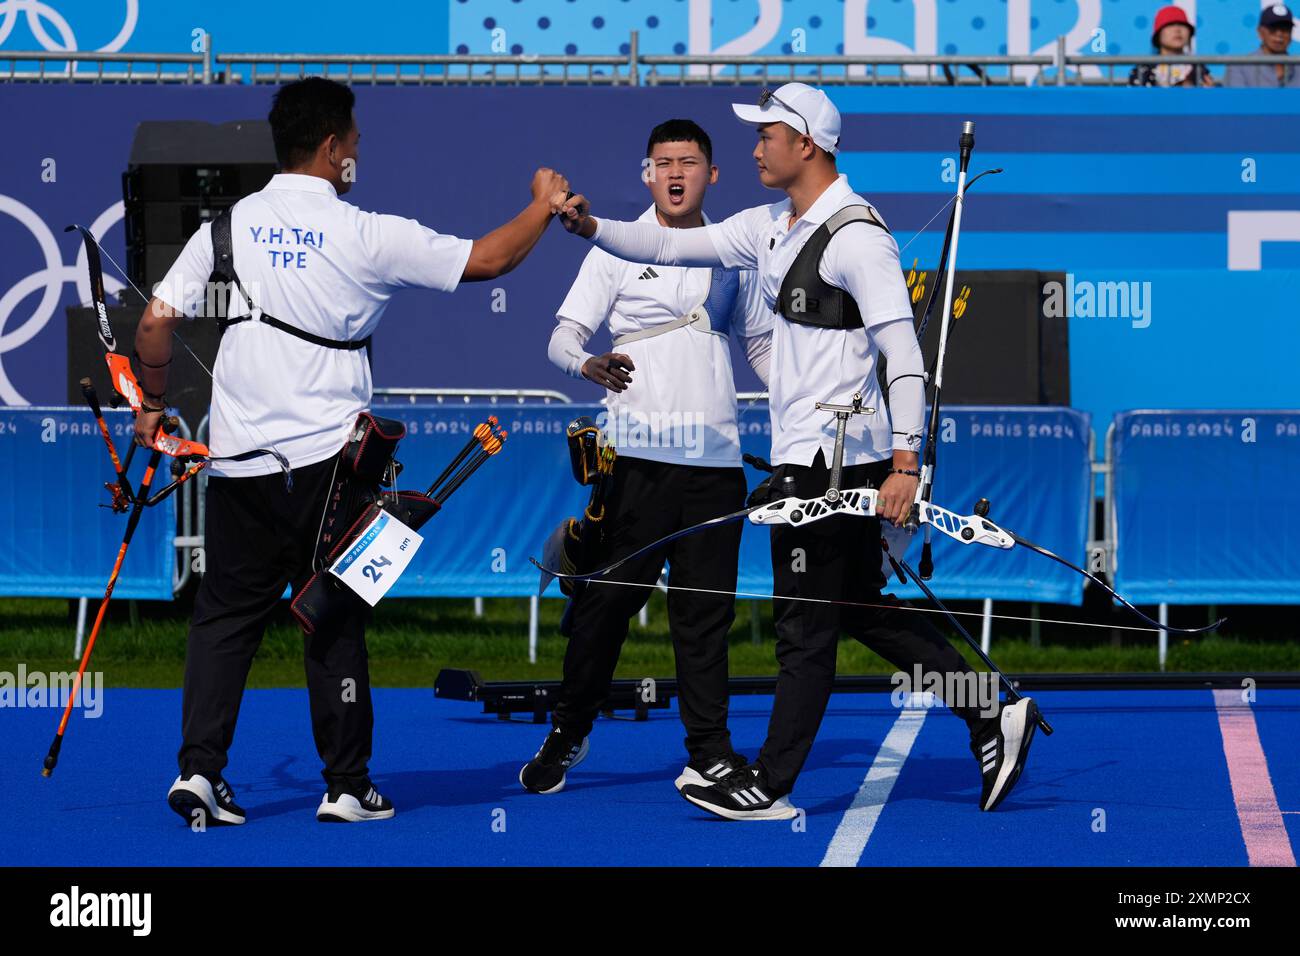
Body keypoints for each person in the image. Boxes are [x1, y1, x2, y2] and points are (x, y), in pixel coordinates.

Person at [552, 83, 1038, 820]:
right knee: (862, 611)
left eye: (766, 136)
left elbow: (902, 354)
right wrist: (590, 227)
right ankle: (990, 710)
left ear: (805, 144)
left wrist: (906, 463)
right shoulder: (768, 227)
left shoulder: (857, 236)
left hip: (844, 464)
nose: (754, 149)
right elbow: (664, 242)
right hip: (809, 459)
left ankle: (771, 784)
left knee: (804, 628)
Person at [134, 77, 572, 826]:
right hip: (328, 467)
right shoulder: (362, 231)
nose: (359, 150)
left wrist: (149, 407)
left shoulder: (228, 227)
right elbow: (490, 261)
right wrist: (543, 203)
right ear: (333, 147)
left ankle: (199, 774)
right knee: (331, 614)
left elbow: (153, 324)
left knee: (223, 619)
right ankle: (346, 785)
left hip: (237, 461)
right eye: (355, 140)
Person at [520, 119, 772, 796]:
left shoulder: (735, 253)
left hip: (715, 464)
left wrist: (811, 397)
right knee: (605, 605)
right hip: (635, 461)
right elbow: (561, 338)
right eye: (664, 163)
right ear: (647, 173)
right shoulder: (613, 247)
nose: (676, 173)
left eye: (689, 162)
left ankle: (710, 752)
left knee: (705, 615)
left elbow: (761, 349)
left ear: (711, 175)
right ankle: (569, 729)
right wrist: (588, 362)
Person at [1129, 5, 1216, 87]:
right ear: (1158, 35)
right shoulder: (1142, 70)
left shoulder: (1199, 69)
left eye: (1182, 25)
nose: (1177, 30)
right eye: (1170, 25)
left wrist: (1209, 93)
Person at [1225, 5, 1300, 88]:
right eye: (1273, 28)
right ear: (1260, 32)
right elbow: (1235, 99)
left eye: (1285, 28)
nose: (1279, 34)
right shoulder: (1239, 67)